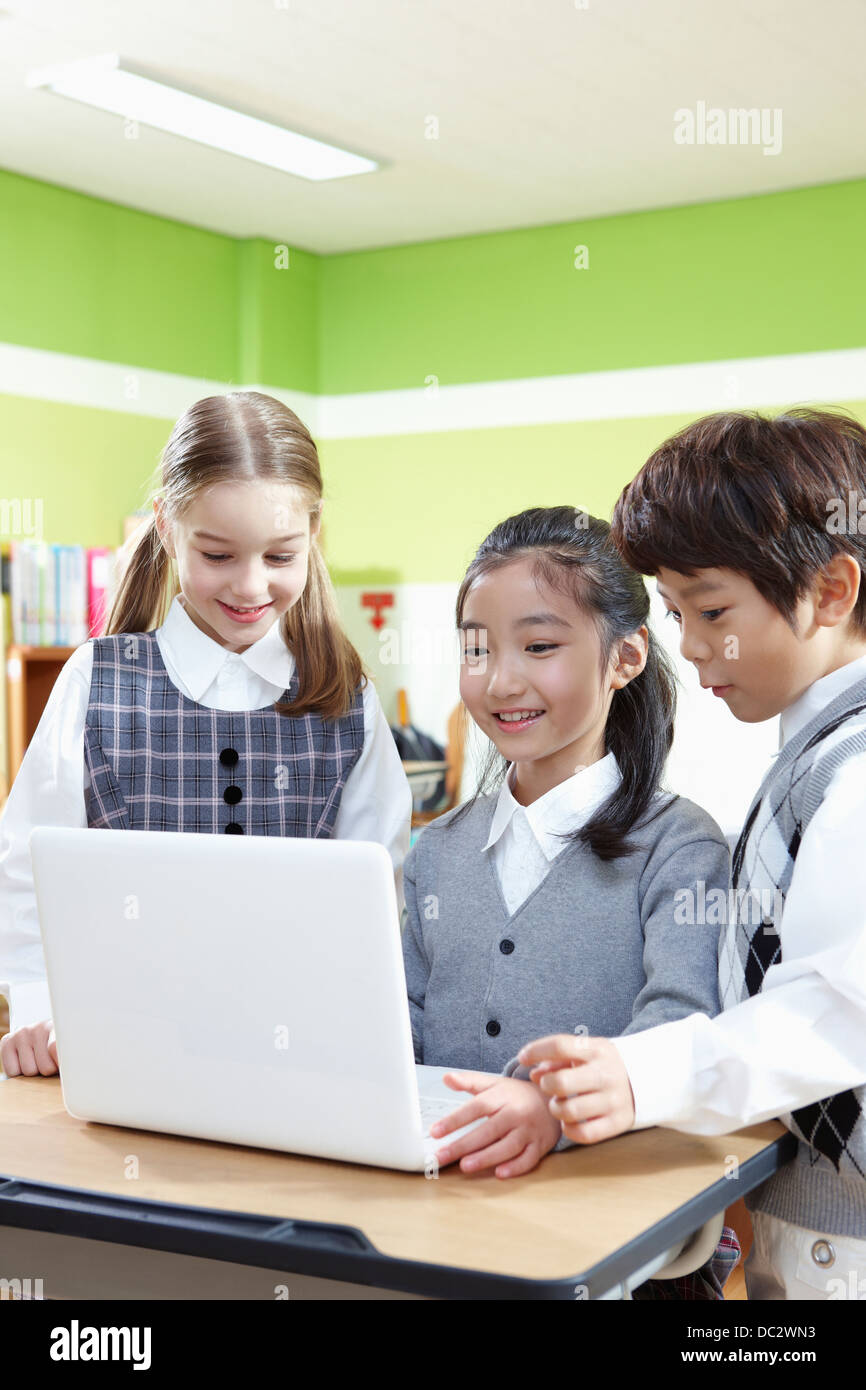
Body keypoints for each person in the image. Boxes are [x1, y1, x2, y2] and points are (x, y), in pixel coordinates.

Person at [521, 409, 866, 1300]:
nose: (693, 646)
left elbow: (835, 1012)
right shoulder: (817, 752)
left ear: (832, 591)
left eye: (711, 610)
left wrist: (644, 1074)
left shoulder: (857, 772)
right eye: (675, 613)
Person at [0, 390, 411, 1078]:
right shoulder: (94, 682)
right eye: (218, 555)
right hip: (114, 1057)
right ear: (166, 529)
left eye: (280, 557)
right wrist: (39, 1001)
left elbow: (378, 903)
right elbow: (24, 865)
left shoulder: (348, 701)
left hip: (297, 1061)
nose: (251, 586)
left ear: (312, 534)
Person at [402, 505, 737, 1297]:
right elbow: (401, 1034)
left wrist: (555, 1106)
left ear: (624, 657)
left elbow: (685, 1027)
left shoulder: (682, 847)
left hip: (618, 1248)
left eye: (540, 646)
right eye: (477, 649)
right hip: (446, 1236)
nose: (501, 680)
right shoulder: (437, 852)